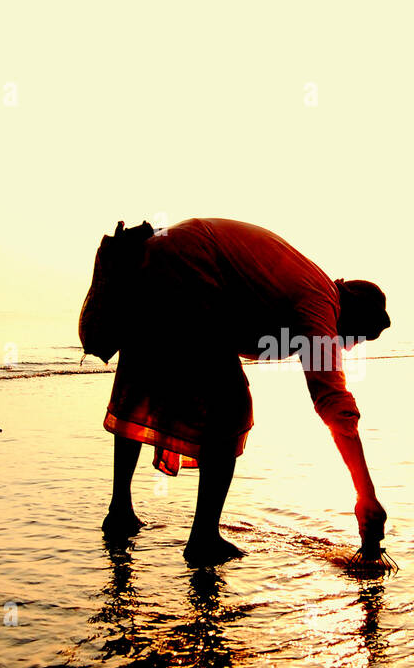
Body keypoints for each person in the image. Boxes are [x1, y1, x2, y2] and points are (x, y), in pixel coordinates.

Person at [79, 218, 391, 565]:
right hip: (191, 264)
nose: (348, 347)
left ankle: (120, 509)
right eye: (359, 337)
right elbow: (332, 400)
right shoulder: (322, 302)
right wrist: (366, 495)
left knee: (141, 380)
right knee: (230, 407)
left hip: (160, 254)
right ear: (353, 315)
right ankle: (203, 538)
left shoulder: (311, 281)